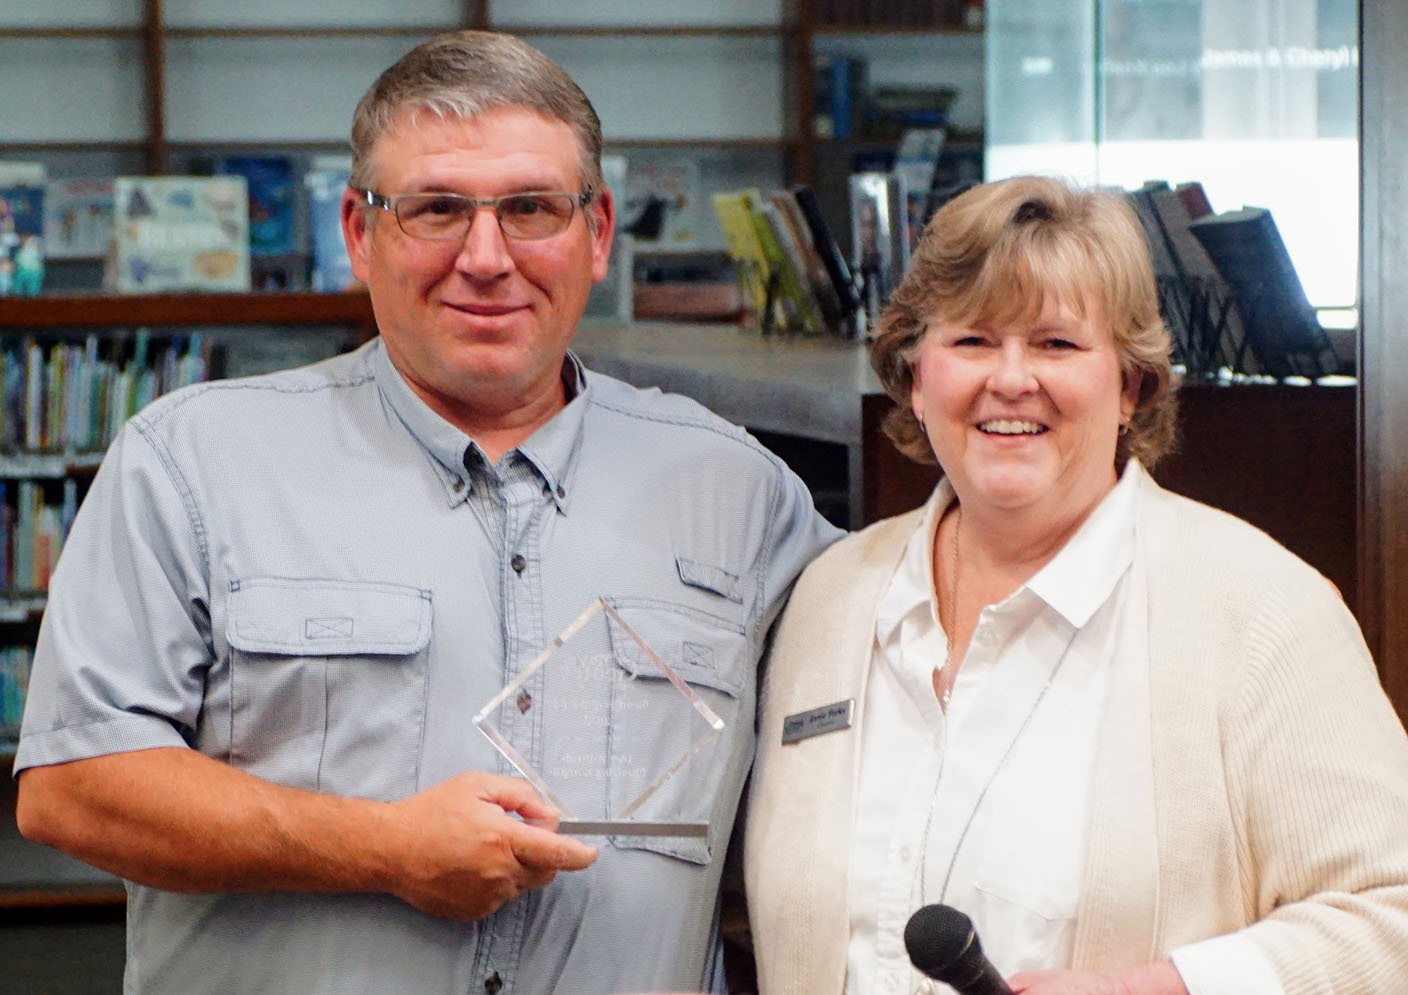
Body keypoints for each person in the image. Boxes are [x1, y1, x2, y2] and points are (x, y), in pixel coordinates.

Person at [14, 30, 840, 995]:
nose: (486, 258)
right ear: (362, 234)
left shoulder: (739, 489)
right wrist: (382, 847)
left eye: (531, 208)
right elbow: (74, 790)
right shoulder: (191, 462)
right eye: (437, 209)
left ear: (599, 230)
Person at [744, 175, 1408, 995]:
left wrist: (1156, 988)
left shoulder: (1262, 613)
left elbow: (1392, 918)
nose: (1012, 378)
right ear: (916, 378)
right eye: (974, 341)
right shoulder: (830, 599)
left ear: (1130, 385)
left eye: (1056, 344)